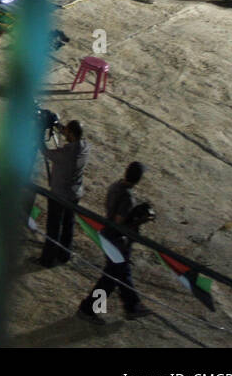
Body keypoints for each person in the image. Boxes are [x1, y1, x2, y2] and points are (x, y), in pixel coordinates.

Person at [77, 161, 154, 324]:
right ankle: (88, 310)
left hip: (109, 235)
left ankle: (132, 306)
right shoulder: (127, 197)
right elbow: (119, 223)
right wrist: (140, 220)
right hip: (117, 241)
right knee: (110, 279)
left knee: (123, 272)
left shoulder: (115, 186)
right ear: (139, 179)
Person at [39, 120, 89, 267]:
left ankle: (47, 260)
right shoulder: (85, 147)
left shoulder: (67, 154)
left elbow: (47, 152)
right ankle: (64, 254)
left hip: (59, 195)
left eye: (67, 131)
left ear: (71, 134)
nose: (64, 132)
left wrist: (39, 138)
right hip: (74, 194)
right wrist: (59, 126)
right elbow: (72, 136)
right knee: (68, 224)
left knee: (54, 227)